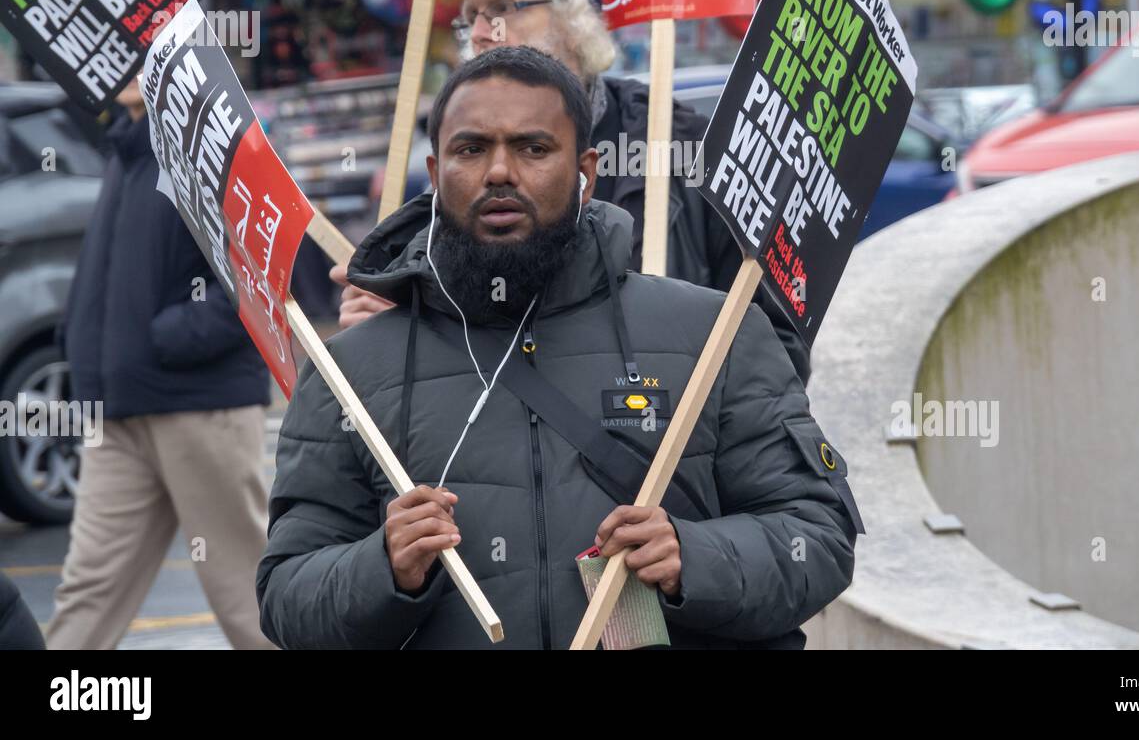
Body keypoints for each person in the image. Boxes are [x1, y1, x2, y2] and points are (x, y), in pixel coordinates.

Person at [258, 47, 861, 650]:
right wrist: (383, 567)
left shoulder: (715, 333)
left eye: (533, 148)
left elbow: (816, 536)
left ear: (587, 172)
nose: (499, 172)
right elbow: (287, 597)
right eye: (471, 149)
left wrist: (692, 557)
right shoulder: (349, 372)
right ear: (436, 171)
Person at [332, 0, 811, 383]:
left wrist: (696, 414)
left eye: (502, 8)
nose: (479, 33)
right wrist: (392, 327)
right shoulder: (455, 169)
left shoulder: (681, 145)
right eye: (469, 16)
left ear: (573, 20)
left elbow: (775, 344)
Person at [46, 79, 274, 650]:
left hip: (200, 407)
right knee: (88, 591)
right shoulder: (129, 147)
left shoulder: (211, 144)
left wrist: (165, 339)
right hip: (119, 410)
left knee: (248, 595)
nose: (120, 61)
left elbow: (256, 273)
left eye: (139, 45)